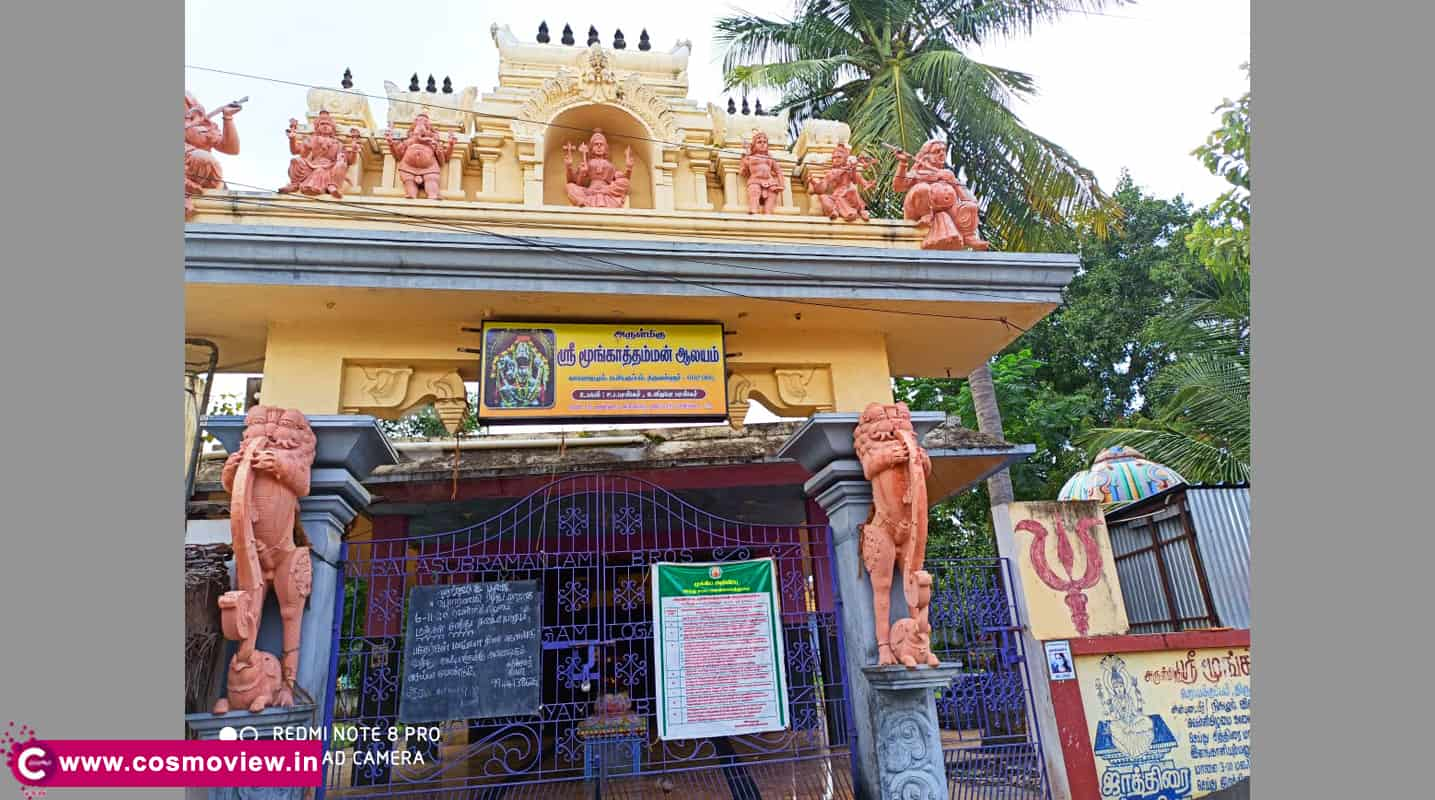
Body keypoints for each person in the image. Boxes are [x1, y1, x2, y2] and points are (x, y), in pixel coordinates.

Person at [891, 139, 989, 250]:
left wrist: (954, 182)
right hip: (920, 212)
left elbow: (971, 201)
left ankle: (968, 237)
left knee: (970, 206)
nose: (942, 154)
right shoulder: (918, 173)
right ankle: (926, 216)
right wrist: (903, 164)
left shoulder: (947, 175)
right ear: (926, 156)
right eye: (937, 151)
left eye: (944, 151)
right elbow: (898, 186)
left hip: (942, 211)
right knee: (923, 188)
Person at [184, 92, 241, 218]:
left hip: (196, 171)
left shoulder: (199, 126)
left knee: (202, 157)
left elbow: (231, 149)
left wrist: (228, 118)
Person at [279, 111, 359, 199]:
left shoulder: (338, 143)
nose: (325, 126)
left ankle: (332, 185)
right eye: (322, 124)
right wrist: (292, 139)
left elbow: (351, 161)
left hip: (330, 168)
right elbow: (295, 151)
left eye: (328, 125)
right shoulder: (312, 139)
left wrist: (354, 151)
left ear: (332, 128)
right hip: (312, 165)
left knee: (341, 163)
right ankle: (295, 184)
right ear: (317, 127)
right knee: (295, 161)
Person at [564, 129, 633, 208]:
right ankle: (583, 202)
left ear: (606, 148)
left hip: (607, 189)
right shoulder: (587, 163)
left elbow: (622, 178)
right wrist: (570, 167)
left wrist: (629, 168)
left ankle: (602, 195)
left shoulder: (610, 165)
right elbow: (578, 183)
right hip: (590, 191)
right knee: (570, 187)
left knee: (625, 182)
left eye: (601, 144)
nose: (599, 146)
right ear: (591, 148)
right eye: (596, 144)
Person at [740, 131, 784, 214]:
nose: (762, 144)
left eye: (765, 142)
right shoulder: (750, 157)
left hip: (771, 183)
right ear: (754, 145)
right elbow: (743, 172)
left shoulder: (770, 158)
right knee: (754, 197)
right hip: (755, 181)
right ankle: (754, 213)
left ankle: (768, 218)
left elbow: (778, 171)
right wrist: (744, 161)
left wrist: (781, 185)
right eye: (759, 142)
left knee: (769, 209)